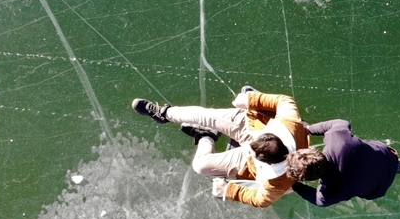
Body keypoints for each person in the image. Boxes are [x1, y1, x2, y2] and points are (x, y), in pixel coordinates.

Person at [132, 88, 309, 208]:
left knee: (200, 166)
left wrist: (229, 190)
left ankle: (205, 135)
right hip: (255, 128)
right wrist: (251, 99)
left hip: (249, 161)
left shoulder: (276, 182)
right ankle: (164, 113)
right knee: (206, 115)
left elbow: (260, 200)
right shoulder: (289, 123)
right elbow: (285, 100)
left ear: (265, 162)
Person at [285, 119, 400, 207]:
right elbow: (342, 122)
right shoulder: (338, 138)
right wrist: (309, 129)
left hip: (379, 187)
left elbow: (319, 201)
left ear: (312, 180)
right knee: (393, 164)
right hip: (387, 158)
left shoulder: (331, 193)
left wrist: (296, 186)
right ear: (312, 150)